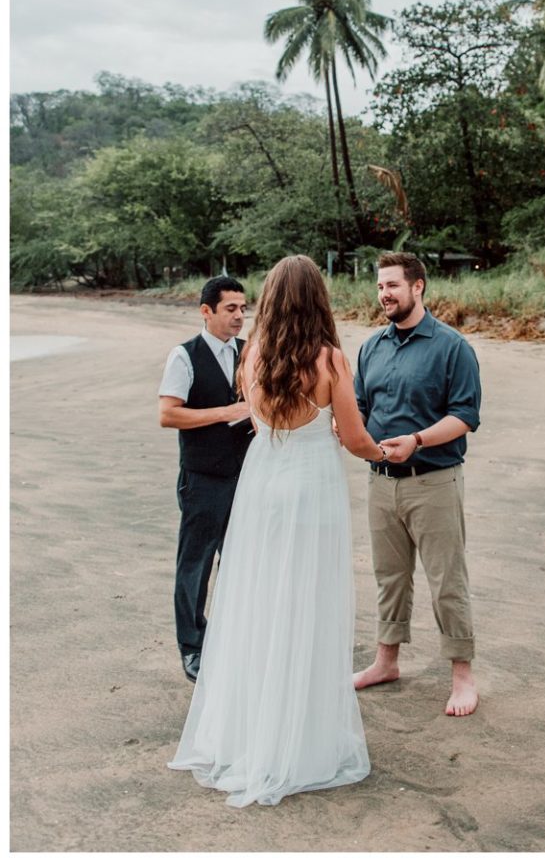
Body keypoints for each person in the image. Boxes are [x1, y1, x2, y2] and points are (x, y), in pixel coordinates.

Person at [168, 255, 391, 808]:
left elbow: (253, 417)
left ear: (269, 299)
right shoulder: (330, 360)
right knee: (306, 603)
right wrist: (384, 451)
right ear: (318, 298)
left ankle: (247, 731)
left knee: (259, 600)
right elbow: (357, 438)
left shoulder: (254, 356)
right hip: (311, 489)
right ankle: (297, 737)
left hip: (261, 486)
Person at [353, 252, 481, 717]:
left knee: (447, 580)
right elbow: (361, 406)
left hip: (434, 481)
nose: (384, 294)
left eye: (392, 285)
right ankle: (386, 661)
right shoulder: (371, 347)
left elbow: (466, 415)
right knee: (389, 577)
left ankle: (462, 676)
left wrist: (419, 440)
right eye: (380, 286)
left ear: (418, 287)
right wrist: (349, 430)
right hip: (381, 483)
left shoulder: (452, 347)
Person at [158, 276, 252, 684]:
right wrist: (223, 412)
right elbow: (168, 414)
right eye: (230, 308)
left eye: (243, 308)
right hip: (203, 478)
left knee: (239, 560)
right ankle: (192, 645)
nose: (239, 316)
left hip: (248, 475)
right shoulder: (184, 356)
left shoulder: (250, 353)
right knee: (195, 564)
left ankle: (231, 639)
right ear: (206, 311)